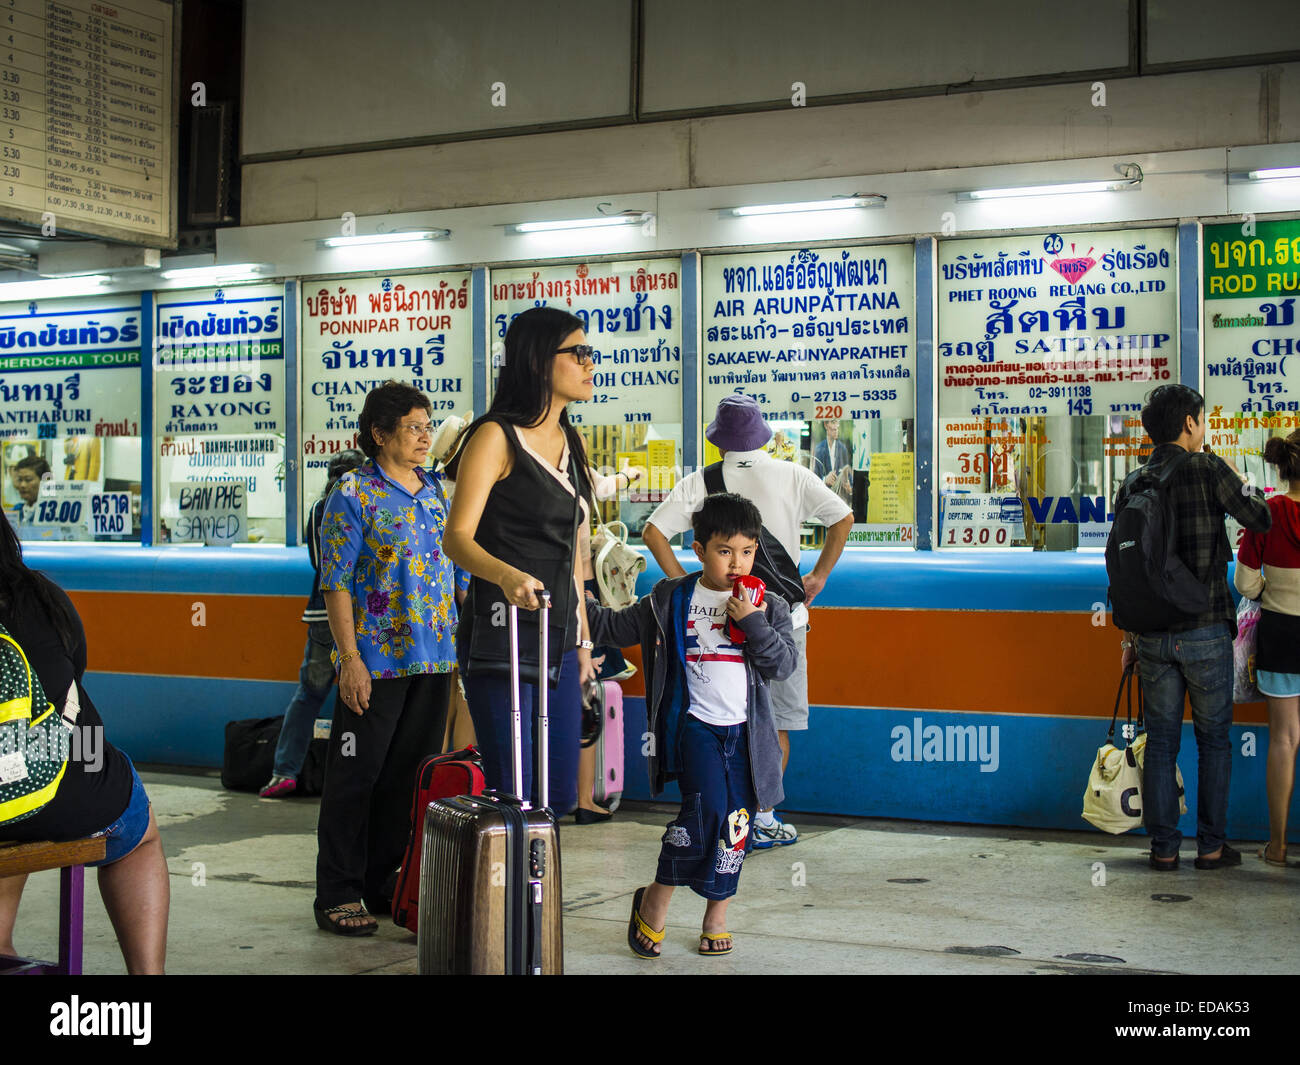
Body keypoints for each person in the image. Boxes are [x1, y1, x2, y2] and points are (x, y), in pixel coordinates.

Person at [587, 493, 795, 957]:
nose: (737, 563)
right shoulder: (672, 599)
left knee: (737, 824)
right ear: (699, 551)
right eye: (725, 551)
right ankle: (657, 897)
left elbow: (782, 666)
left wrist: (756, 624)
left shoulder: (769, 603)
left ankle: (716, 915)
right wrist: (573, 604)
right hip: (695, 727)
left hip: (745, 734)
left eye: (747, 551)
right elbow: (616, 628)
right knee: (704, 814)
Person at [642, 395, 853, 847]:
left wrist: (687, 585)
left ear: (719, 442)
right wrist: (818, 576)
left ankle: (723, 816)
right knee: (775, 722)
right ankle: (761, 821)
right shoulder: (793, 474)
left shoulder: (700, 481)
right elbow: (843, 517)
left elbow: (653, 532)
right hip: (781, 620)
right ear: (764, 437)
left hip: (712, 621)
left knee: (720, 719)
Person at [313, 381, 457, 935]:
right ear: (380, 434)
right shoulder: (352, 494)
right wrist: (348, 658)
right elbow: (336, 582)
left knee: (407, 777)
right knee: (356, 775)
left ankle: (381, 882)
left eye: (428, 426)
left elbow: (456, 574)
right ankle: (337, 892)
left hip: (435, 657)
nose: (426, 437)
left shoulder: (436, 489)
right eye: (414, 428)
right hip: (377, 659)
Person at [445, 307, 597, 818]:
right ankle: (502, 896)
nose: (589, 363)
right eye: (577, 353)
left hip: (556, 639)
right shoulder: (495, 436)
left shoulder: (571, 443)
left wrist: (582, 643)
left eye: (589, 353)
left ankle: (537, 899)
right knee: (516, 793)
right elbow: (456, 539)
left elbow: (574, 552)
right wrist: (507, 576)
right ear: (537, 361)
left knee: (554, 798)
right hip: (501, 637)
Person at [0, 519, 169, 973]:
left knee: (14, 799)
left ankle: (1, 945)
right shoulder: (39, 597)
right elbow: (73, 676)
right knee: (136, 831)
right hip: (61, 790)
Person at [1115, 384, 1270, 871]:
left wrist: (1129, 638)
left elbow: (1124, 570)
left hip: (1152, 636)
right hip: (1204, 629)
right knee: (1213, 742)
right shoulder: (1210, 469)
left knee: (1161, 743)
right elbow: (1260, 517)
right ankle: (1210, 846)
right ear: (1189, 423)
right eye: (1202, 420)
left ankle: (1163, 849)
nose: (1204, 428)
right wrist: (1247, 481)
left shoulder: (1133, 481)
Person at [261, 448, 366, 798]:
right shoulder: (362, 501)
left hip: (322, 615)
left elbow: (318, 562)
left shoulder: (318, 508)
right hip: (359, 615)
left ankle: (284, 771)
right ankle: (352, 777)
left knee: (309, 694)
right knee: (360, 698)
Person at [1233, 428, 1300, 867]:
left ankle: (1276, 846)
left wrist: (1268, 588)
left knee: (1283, 740)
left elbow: (1244, 582)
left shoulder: (1268, 513)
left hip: (1281, 633)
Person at [813, 419, 853, 507]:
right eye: (833, 422)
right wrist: (825, 480)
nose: (836, 427)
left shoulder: (842, 448)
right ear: (826, 425)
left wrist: (849, 488)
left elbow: (849, 479)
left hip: (840, 502)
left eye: (837, 423)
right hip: (823, 502)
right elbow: (814, 479)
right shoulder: (819, 449)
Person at [9, 454, 49, 524]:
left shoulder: (51, 514)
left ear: (44, 481)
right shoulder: (14, 512)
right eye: (20, 480)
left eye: (28, 480)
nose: (22, 485)